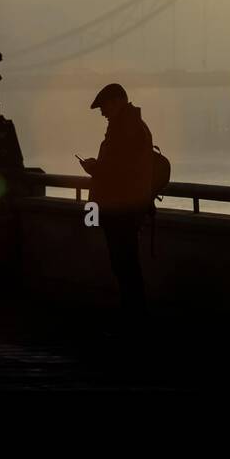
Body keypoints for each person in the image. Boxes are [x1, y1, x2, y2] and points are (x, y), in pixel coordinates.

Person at [78, 82, 153, 322]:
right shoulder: (127, 126)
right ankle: (133, 316)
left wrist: (94, 168)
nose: (102, 112)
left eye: (104, 106)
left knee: (125, 263)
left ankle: (134, 318)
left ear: (118, 101)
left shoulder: (126, 129)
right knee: (125, 263)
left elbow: (120, 169)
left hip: (123, 208)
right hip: (124, 206)